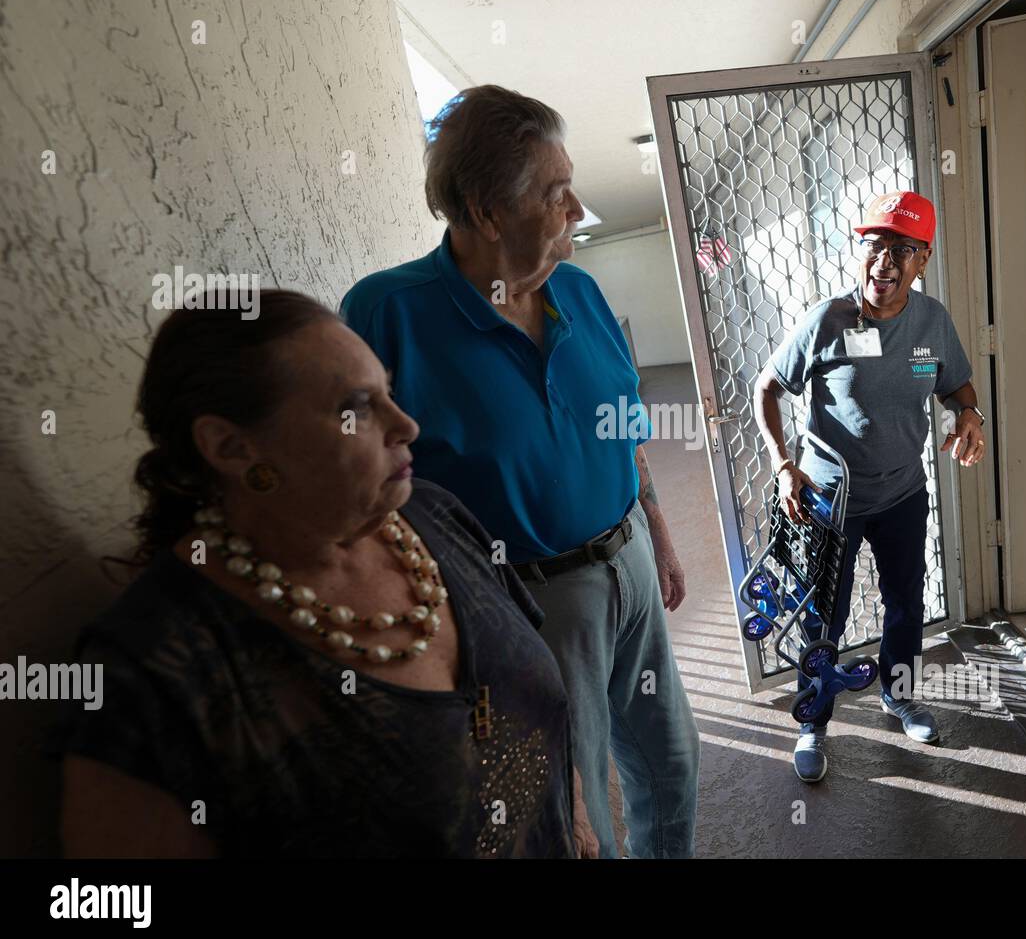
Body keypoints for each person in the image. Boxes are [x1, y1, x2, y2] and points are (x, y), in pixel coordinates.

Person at [58, 289, 596, 857]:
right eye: (358, 407)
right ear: (232, 446)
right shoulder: (154, 673)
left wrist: (578, 822)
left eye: (387, 391)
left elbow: (534, 694)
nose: (407, 424)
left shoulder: (435, 512)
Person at [342, 85, 699, 858]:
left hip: (628, 557)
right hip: (528, 602)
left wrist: (660, 538)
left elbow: (627, 423)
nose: (577, 210)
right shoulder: (387, 313)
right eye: (554, 192)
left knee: (670, 764)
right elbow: (367, 491)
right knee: (572, 816)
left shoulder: (578, 288)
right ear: (485, 211)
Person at [754, 191, 986, 783]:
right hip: (829, 501)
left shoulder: (932, 323)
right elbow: (767, 390)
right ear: (860, 252)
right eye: (875, 246)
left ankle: (899, 696)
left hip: (903, 493)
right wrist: (784, 464)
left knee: (906, 603)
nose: (885, 261)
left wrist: (970, 417)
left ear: (923, 259)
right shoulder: (829, 320)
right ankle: (814, 721)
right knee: (821, 617)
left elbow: (958, 387)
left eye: (902, 250)